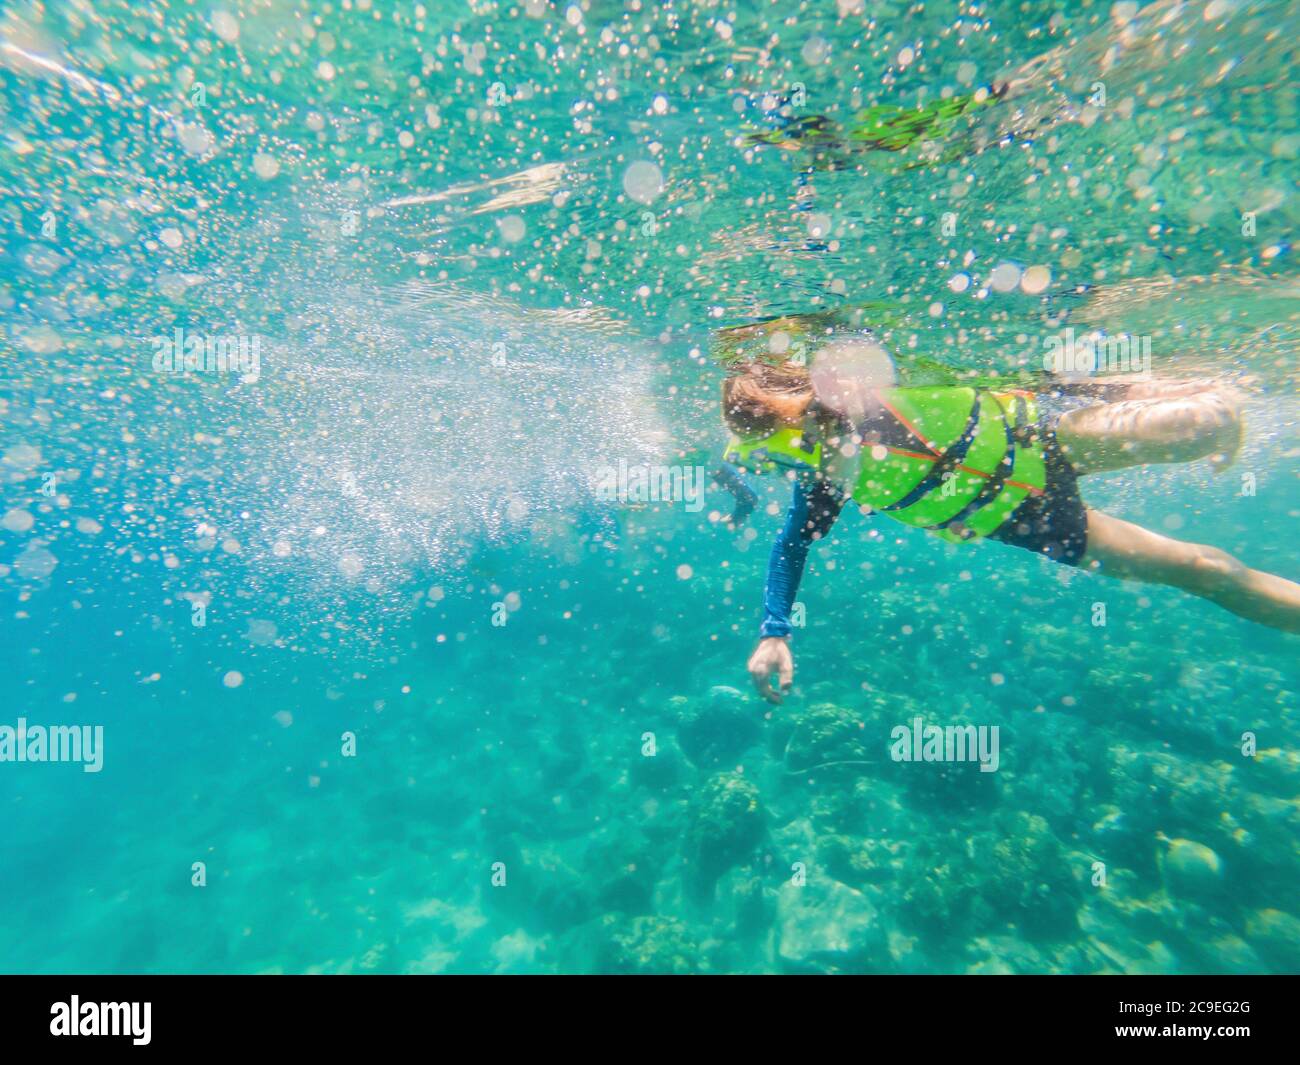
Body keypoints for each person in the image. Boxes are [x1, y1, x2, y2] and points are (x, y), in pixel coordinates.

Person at [722, 338, 1300, 704]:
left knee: (1202, 422)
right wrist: (775, 630)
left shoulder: (881, 383)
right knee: (1204, 568)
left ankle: (1212, 407)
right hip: (1026, 519)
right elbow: (792, 543)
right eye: (780, 443)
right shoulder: (825, 474)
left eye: (790, 423)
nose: (803, 441)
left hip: (1042, 438)